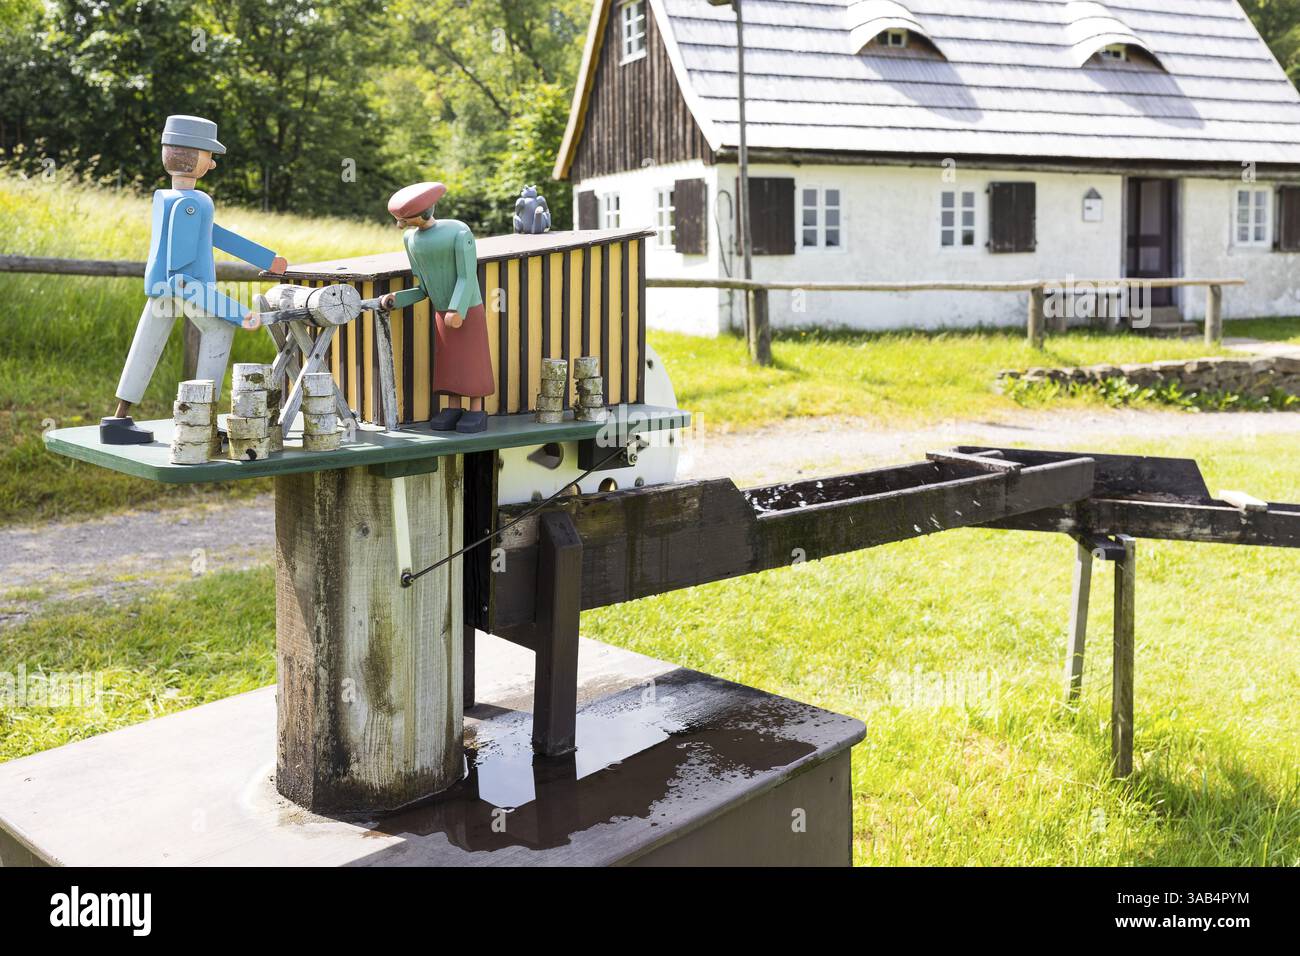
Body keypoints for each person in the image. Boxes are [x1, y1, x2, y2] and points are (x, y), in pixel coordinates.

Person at [101, 114, 286, 445]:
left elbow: (212, 235)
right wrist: (233, 310)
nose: (212, 163)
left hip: (159, 285)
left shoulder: (167, 197)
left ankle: (117, 419)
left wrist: (265, 259)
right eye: (208, 156)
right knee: (218, 328)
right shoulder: (191, 204)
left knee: (147, 339)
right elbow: (181, 274)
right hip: (180, 286)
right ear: (195, 157)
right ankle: (201, 421)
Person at [379, 182, 494, 434]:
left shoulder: (458, 232)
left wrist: (457, 309)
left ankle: (476, 410)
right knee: (448, 363)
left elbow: (467, 276)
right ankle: (453, 407)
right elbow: (422, 286)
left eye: (405, 219)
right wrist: (397, 299)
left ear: (425, 211)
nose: (401, 225)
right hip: (442, 312)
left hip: (466, 310)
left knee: (472, 361)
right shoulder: (410, 239)